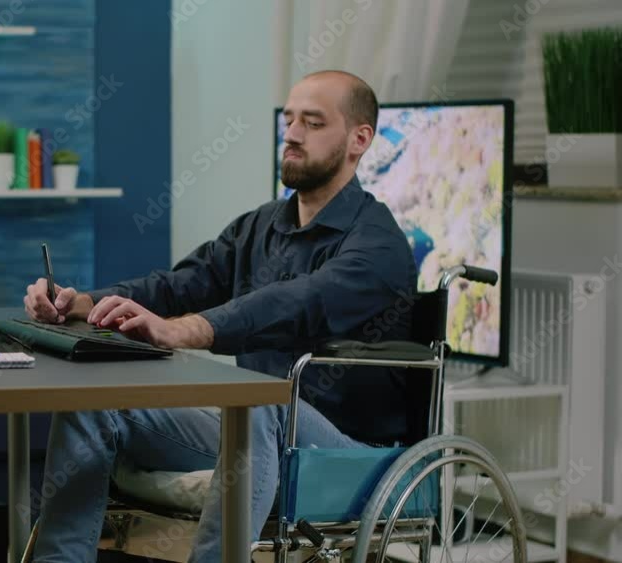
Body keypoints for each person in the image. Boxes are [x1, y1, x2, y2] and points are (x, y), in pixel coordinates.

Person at [21, 70, 417, 563]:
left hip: (346, 453)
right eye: (289, 120)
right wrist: (81, 303)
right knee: (94, 402)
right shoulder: (260, 226)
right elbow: (176, 284)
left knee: (259, 401)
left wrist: (185, 330)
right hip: (260, 432)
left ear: (360, 139)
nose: (291, 134)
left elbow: (296, 302)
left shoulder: (377, 245)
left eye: (312, 123)